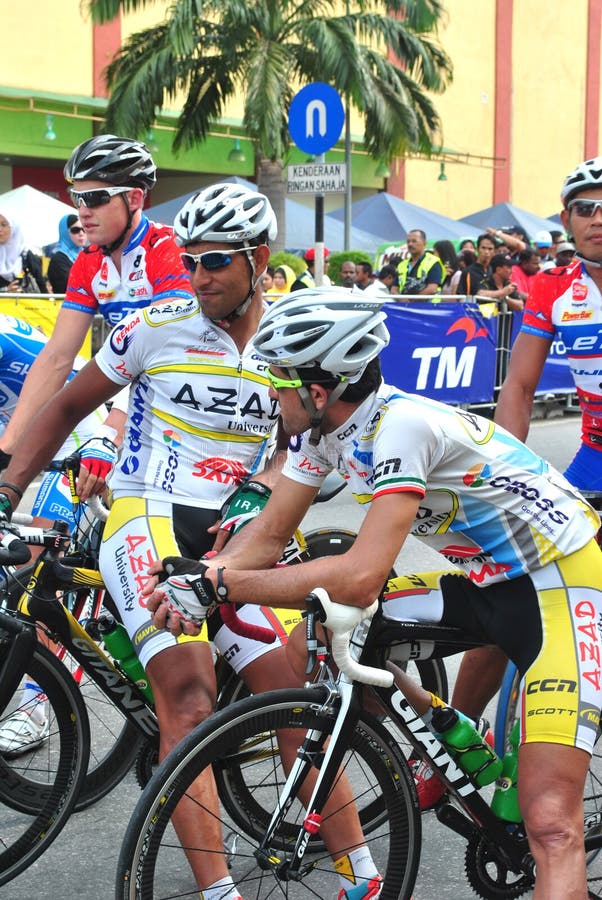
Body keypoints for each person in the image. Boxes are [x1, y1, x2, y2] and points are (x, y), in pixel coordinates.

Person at [145, 288, 602, 899]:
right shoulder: (320, 435)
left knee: (549, 825)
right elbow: (271, 533)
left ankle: (471, 758)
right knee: (324, 632)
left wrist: (223, 583)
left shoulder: (402, 427)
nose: (269, 394)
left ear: (317, 390)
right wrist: (199, 576)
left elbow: (361, 574)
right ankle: (446, 736)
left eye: (278, 381)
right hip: (487, 582)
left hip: (562, 585)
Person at [0, 193, 382, 900]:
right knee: (189, 695)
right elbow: (64, 407)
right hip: (149, 514)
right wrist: (8, 489)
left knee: (293, 691)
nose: (198, 275)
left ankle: (363, 877)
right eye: (189, 260)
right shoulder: (154, 326)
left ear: (259, 261)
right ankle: (218, 894)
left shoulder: (292, 341)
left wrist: (256, 500)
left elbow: (297, 452)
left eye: (214, 262)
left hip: (240, 531)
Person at [435, 155, 602, 819]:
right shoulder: (554, 289)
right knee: (510, 589)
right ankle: (450, 741)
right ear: (566, 221)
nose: (598, 218)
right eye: (585, 207)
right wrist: (502, 472)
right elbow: (521, 387)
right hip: (593, 457)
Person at [0, 134, 193, 475]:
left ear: (134, 198)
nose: (83, 211)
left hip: (191, 405)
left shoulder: (168, 250)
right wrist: (8, 447)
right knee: (53, 522)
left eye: (95, 198)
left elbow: (159, 358)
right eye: (77, 198)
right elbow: (57, 357)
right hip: (131, 404)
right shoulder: (88, 262)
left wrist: (109, 434)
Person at [0, 212, 47, 294]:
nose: (0, 229)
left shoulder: (26, 255)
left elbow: (41, 286)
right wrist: (5, 291)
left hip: (27, 305)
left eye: (4, 225)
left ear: (14, 228)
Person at [46, 214, 87, 293]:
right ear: (65, 232)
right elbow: (71, 287)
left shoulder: (88, 254)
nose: (81, 233)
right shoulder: (58, 259)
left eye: (84, 229)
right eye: (75, 230)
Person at [396, 229, 444, 296]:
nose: (410, 244)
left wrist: (411, 300)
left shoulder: (433, 262)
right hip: (403, 305)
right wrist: (400, 299)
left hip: (427, 305)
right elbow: (394, 288)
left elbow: (432, 289)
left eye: (414, 241)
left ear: (424, 243)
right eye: (408, 241)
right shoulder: (402, 265)